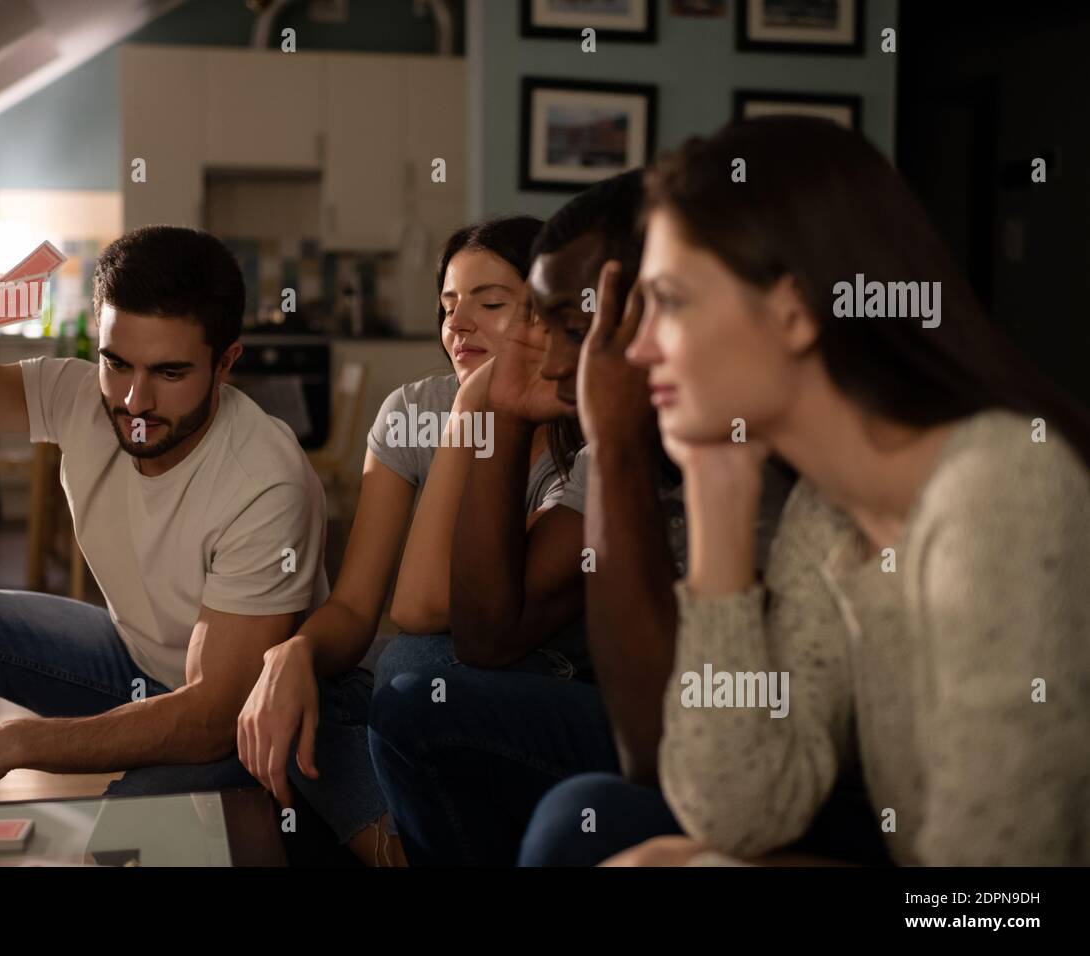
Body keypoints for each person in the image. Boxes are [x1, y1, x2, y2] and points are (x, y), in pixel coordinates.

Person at [618, 115, 1090, 865]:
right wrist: (718, 493)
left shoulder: (1000, 491)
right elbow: (741, 810)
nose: (637, 348)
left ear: (796, 312)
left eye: (669, 301)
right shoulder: (827, 511)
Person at [367, 171, 783, 866]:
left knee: (423, 690)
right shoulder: (609, 432)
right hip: (658, 722)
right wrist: (497, 411)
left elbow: (679, 739)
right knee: (392, 678)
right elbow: (487, 636)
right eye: (548, 328)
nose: (558, 365)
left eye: (575, 331)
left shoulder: (726, 444)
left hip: (721, 742)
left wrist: (607, 440)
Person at [0, 227, 327, 815]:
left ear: (225, 363)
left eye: (170, 373)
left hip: (245, 713)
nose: (135, 402)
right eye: (117, 364)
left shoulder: (265, 478)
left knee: (131, 826)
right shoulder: (77, 397)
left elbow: (210, 720)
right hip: (136, 660)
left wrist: (11, 743)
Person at [236, 217, 560, 865]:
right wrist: (293, 653)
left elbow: (425, 608)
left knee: (413, 669)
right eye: (448, 305)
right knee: (295, 691)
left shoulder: (575, 427)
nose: (457, 324)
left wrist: (472, 413)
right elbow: (358, 607)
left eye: (489, 303)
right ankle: (399, 846)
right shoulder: (414, 409)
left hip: (545, 682)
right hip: (442, 674)